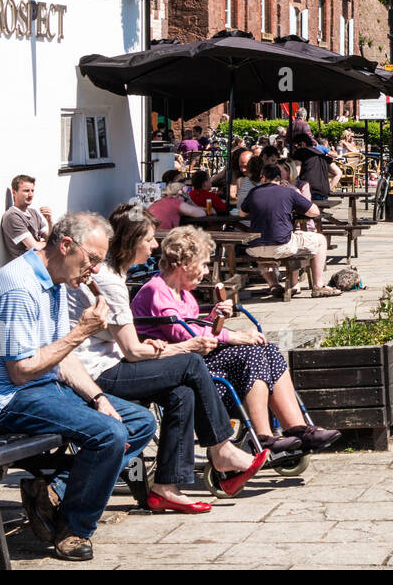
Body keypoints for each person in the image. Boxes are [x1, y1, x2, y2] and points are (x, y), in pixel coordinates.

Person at [0, 212, 157, 560]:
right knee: (110, 435)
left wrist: (98, 398)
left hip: (41, 385)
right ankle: (74, 528)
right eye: (93, 259)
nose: (96, 270)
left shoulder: (54, 281)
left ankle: (54, 489)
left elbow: (63, 357)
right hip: (5, 398)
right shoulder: (19, 288)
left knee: (139, 422)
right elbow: (21, 371)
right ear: (66, 245)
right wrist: (80, 333)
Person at [67, 205, 269, 513]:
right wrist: (183, 348)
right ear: (131, 241)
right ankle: (221, 449)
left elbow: (124, 341)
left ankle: (167, 487)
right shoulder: (110, 282)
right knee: (190, 364)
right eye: (148, 239)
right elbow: (133, 351)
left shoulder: (114, 277)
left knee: (182, 393)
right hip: (94, 372)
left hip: (109, 361)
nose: (154, 246)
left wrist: (159, 344)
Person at [132, 225, 340, 453]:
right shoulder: (157, 291)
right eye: (202, 264)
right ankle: (263, 436)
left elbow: (193, 329)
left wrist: (214, 317)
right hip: (174, 367)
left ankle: (298, 429)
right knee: (249, 351)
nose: (205, 271)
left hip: (195, 358)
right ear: (184, 264)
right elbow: (181, 333)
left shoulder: (182, 293)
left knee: (267, 348)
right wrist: (232, 336)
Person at [240, 164, 342, 298]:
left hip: (255, 247)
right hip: (282, 245)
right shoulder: (288, 192)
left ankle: (274, 285)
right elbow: (314, 212)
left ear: (263, 177)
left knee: (264, 254)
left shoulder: (254, 192)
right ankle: (318, 285)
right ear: (279, 178)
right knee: (321, 240)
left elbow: (242, 213)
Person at [0, 174, 53, 260]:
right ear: (14, 192)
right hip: (28, 266)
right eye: (26, 191)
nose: (31, 194)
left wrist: (50, 221)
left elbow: (52, 238)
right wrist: (48, 243)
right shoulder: (12, 216)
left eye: (32, 190)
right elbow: (35, 247)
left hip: (42, 260)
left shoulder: (33, 212)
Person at [290, 131, 334, 201]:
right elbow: (338, 173)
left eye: (295, 147)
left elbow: (296, 173)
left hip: (309, 192)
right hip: (324, 194)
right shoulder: (320, 154)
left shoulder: (301, 152)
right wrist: (330, 187)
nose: (294, 149)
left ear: (302, 144)